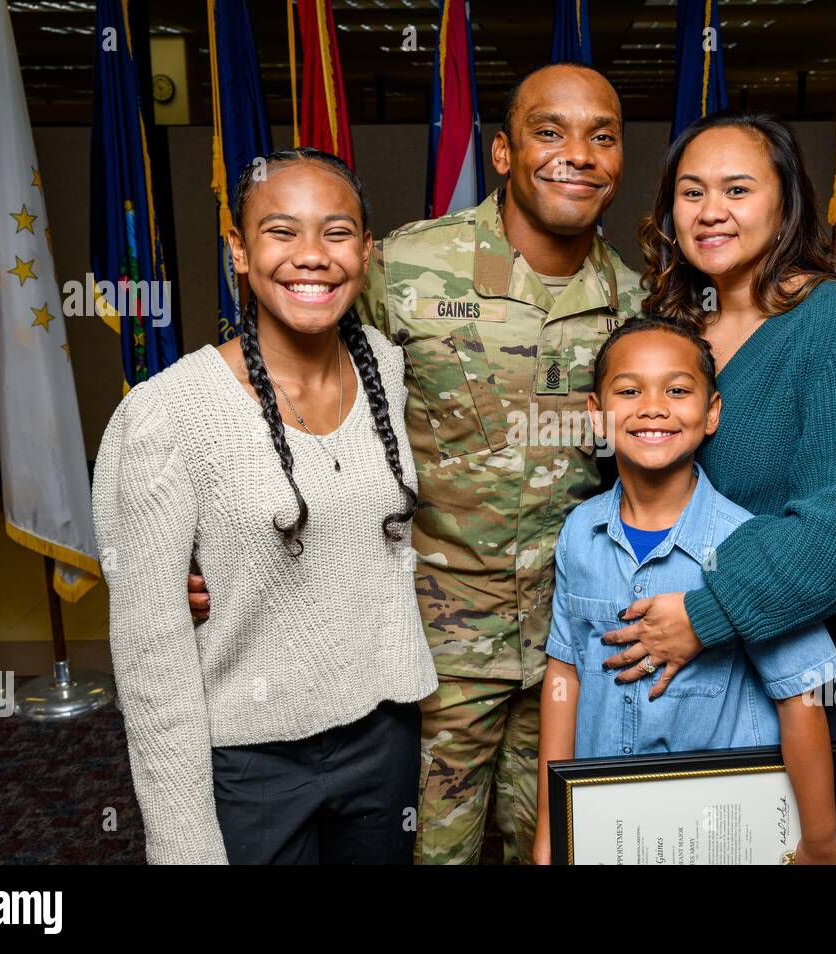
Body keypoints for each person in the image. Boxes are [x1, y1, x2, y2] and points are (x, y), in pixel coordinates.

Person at [187, 62, 644, 864]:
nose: (576, 154)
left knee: (568, 846)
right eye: (549, 132)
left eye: (600, 137)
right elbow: (293, 391)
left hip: (578, 643)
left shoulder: (640, 305)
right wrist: (214, 542)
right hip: (431, 650)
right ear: (502, 153)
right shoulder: (403, 270)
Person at [93, 147, 437, 864]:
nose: (312, 256)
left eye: (337, 233)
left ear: (367, 253)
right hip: (249, 762)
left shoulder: (391, 368)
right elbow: (150, 649)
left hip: (384, 741)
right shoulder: (169, 413)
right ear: (240, 252)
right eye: (281, 232)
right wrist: (182, 840)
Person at [601, 111, 836, 852]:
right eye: (691, 191)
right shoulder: (667, 322)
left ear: (786, 201)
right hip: (664, 637)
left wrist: (705, 613)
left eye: (738, 189)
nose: (711, 212)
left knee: (793, 845)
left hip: (802, 646)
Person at [534, 318, 836, 865]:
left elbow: (801, 698)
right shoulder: (578, 535)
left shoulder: (751, 548)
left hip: (721, 830)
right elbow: (564, 672)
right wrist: (549, 833)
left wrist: (820, 839)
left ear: (711, 414)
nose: (653, 407)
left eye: (677, 390)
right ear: (596, 415)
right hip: (606, 826)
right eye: (629, 390)